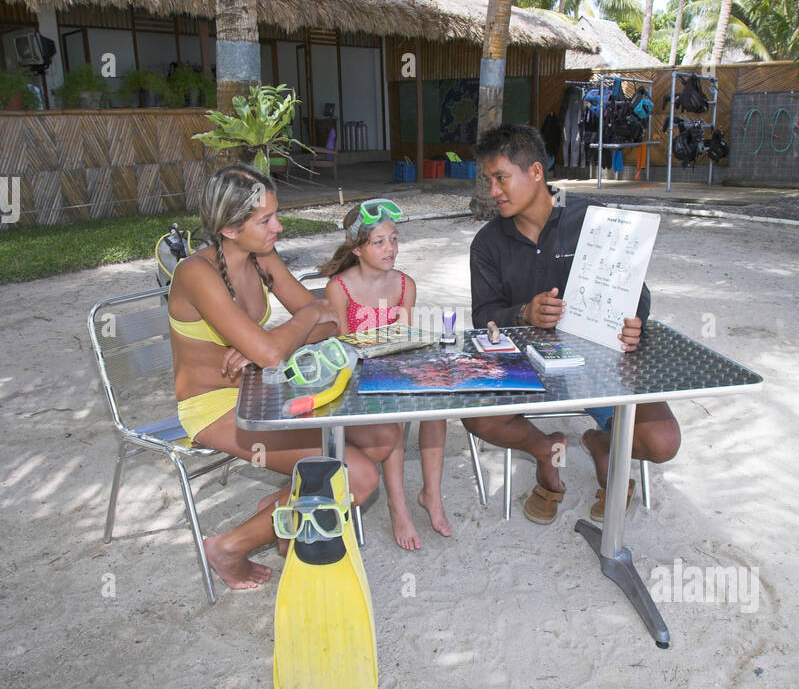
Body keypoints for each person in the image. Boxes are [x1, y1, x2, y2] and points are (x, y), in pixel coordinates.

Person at [167, 165, 400, 588]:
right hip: (215, 406)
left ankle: (278, 510)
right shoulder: (195, 273)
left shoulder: (261, 257)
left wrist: (270, 338)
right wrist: (299, 319)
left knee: (383, 437)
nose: (278, 226)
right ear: (231, 229)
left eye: (276, 214)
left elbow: (332, 325)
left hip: (266, 390)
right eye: (265, 220)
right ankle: (230, 546)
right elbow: (282, 346)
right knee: (359, 478)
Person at [466, 124, 681, 524]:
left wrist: (636, 320)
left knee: (663, 441)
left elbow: (638, 294)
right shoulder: (487, 242)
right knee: (475, 414)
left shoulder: (596, 221)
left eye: (500, 178)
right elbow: (482, 318)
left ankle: (602, 443)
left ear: (534, 173)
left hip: (601, 364)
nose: (492, 191)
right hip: (525, 366)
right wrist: (522, 314)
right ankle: (543, 448)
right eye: (488, 180)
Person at [320, 199, 453, 550]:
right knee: (392, 423)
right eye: (379, 242)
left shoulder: (404, 284)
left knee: (436, 408)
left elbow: (406, 339)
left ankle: (431, 495)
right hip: (358, 380)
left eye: (394, 239)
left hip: (395, 369)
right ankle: (398, 506)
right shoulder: (340, 288)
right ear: (358, 248)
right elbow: (342, 349)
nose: (391, 248)